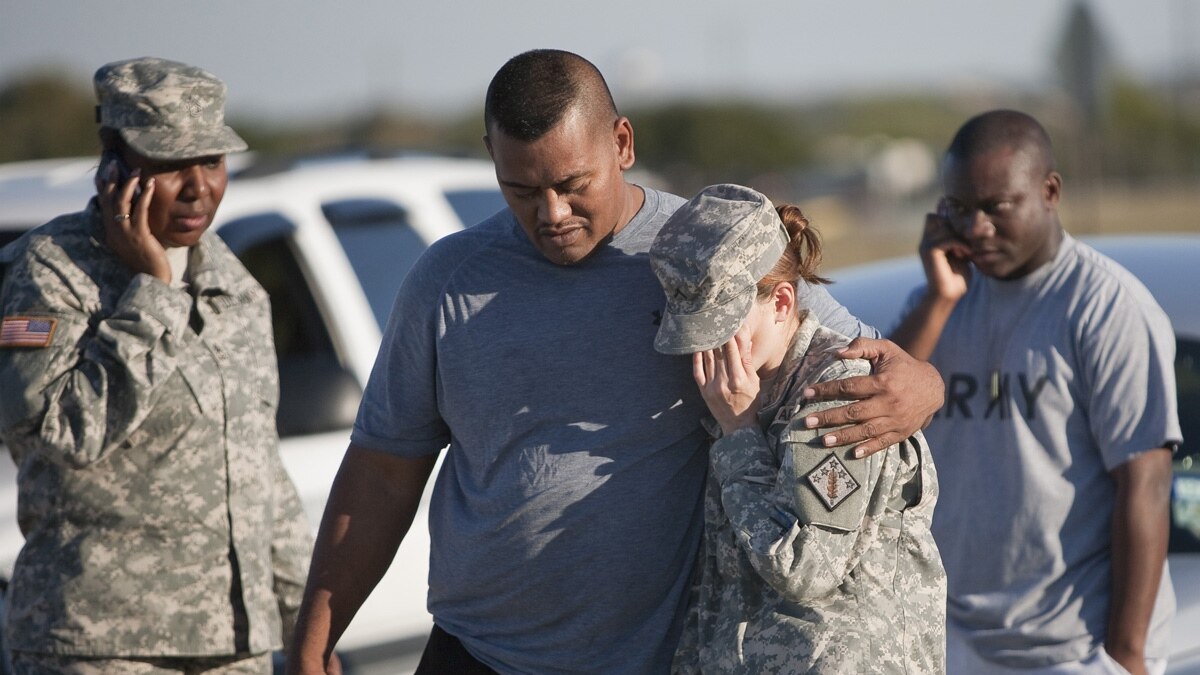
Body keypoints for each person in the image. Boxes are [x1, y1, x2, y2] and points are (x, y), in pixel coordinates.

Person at [287, 49, 945, 675]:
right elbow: (382, 471)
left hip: (656, 659)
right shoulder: (446, 282)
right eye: (521, 189)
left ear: (622, 144)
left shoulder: (704, 256)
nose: (551, 213)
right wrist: (315, 639)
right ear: (492, 157)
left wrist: (927, 385)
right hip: (478, 652)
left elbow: (848, 355)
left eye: (573, 185)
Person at [0, 57, 313, 674]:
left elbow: (256, 468)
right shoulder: (52, 272)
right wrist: (152, 294)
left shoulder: (232, 284)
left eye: (212, 161)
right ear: (113, 167)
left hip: (234, 645)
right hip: (102, 644)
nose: (199, 187)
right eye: (172, 165)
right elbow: (61, 434)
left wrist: (305, 621)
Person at [891, 109, 1179, 675]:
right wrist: (940, 298)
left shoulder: (1106, 307)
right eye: (958, 208)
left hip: (1072, 649)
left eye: (996, 206)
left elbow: (1145, 483)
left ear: (1050, 192)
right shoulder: (942, 300)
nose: (977, 228)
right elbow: (876, 409)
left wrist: (1124, 658)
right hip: (948, 640)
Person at [650, 184, 946, 674]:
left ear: (782, 302)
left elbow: (807, 568)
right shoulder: (744, 388)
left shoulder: (838, 391)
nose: (703, 353)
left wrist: (740, 434)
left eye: (720, 330)